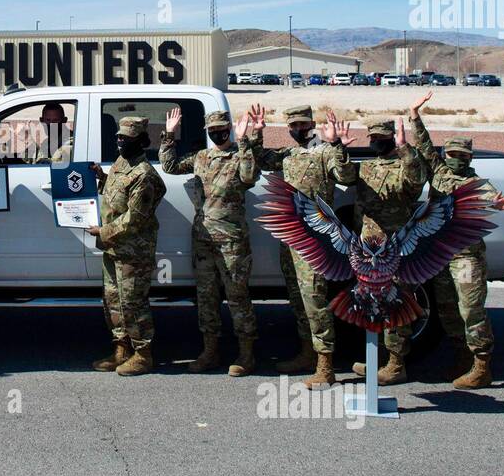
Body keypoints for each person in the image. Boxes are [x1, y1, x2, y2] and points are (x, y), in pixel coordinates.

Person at [409, 91, 504, 389]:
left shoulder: (477, 184)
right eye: (452, 154)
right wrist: (414, 116)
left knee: (471, 310)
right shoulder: (439, 174)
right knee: (447, 309)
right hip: (440, 257)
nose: (456, 159)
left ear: (470, 158)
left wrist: (498, 204)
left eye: (462, 155)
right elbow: (423, 145)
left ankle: (482, 364)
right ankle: (462, 359)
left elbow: (492, 199)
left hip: (466, 258)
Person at [250, 105, 357, 389]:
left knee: (315, 300)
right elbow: (259, 159)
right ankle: (307, 353)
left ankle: (326, 365)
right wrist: (257, 133)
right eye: (293, 125)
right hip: (291, 239)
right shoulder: (289, 155)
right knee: (298, 298)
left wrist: (336, 144)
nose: (298, 130)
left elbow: (346, 176)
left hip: (315, 240)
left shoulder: (324, 152)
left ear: (312, 124)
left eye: (303, 125)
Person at [159, 108, 260, 375]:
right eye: (212, 130)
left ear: (229, 129)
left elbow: (249, 176)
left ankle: (246, 354)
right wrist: (169, 134)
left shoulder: (240, 156)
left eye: (221, 129)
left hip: (231, 241)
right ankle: (210, 351)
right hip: (203, 239)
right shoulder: (202, 157)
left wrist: (245, 140)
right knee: (206, 297)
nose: (217, 134)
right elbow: (170, 166)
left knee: (237, 297)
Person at [87, 116, 167, 376]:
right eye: (119, 137)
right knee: (113, 300)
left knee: (133, 302)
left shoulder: (145, 175)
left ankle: (143, 354)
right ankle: (121, 349)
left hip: (133, 250)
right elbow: (116, 192)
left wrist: (103, 231)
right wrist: (101, 177)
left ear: (141, 141)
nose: (121, 142)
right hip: (114, 247)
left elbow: (134, 218)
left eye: (127, 139)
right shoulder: (123, 163)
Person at [351, 116, 427, 385]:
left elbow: (416, 181)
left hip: (395, 248)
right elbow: (344, 175)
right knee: (371, 306)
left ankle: (396, 364)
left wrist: (406, 148)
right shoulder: (366, 167)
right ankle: (378, 360)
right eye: (372, 138)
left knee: (394, 303)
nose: (376, 143)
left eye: (381, 138)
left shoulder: (404, 166)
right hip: (368, 250)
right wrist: (337, 145)